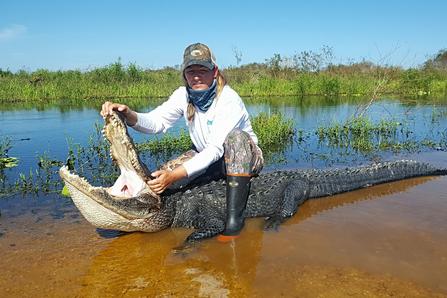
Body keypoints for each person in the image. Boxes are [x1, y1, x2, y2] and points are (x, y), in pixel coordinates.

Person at [101, 43, 263, 239]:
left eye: (202, 70)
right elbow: (156, 122)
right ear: (184, 74)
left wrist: (175, 175)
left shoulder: (229, 99)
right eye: (190, 71)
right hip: (204, 154)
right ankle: (140, 219)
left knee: (236, 139)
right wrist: (128, 114)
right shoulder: (183, 95)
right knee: (158, 181)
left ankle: (234, 223)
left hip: (242, 157)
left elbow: (214, 150)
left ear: (214, 72)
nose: (196, 76)